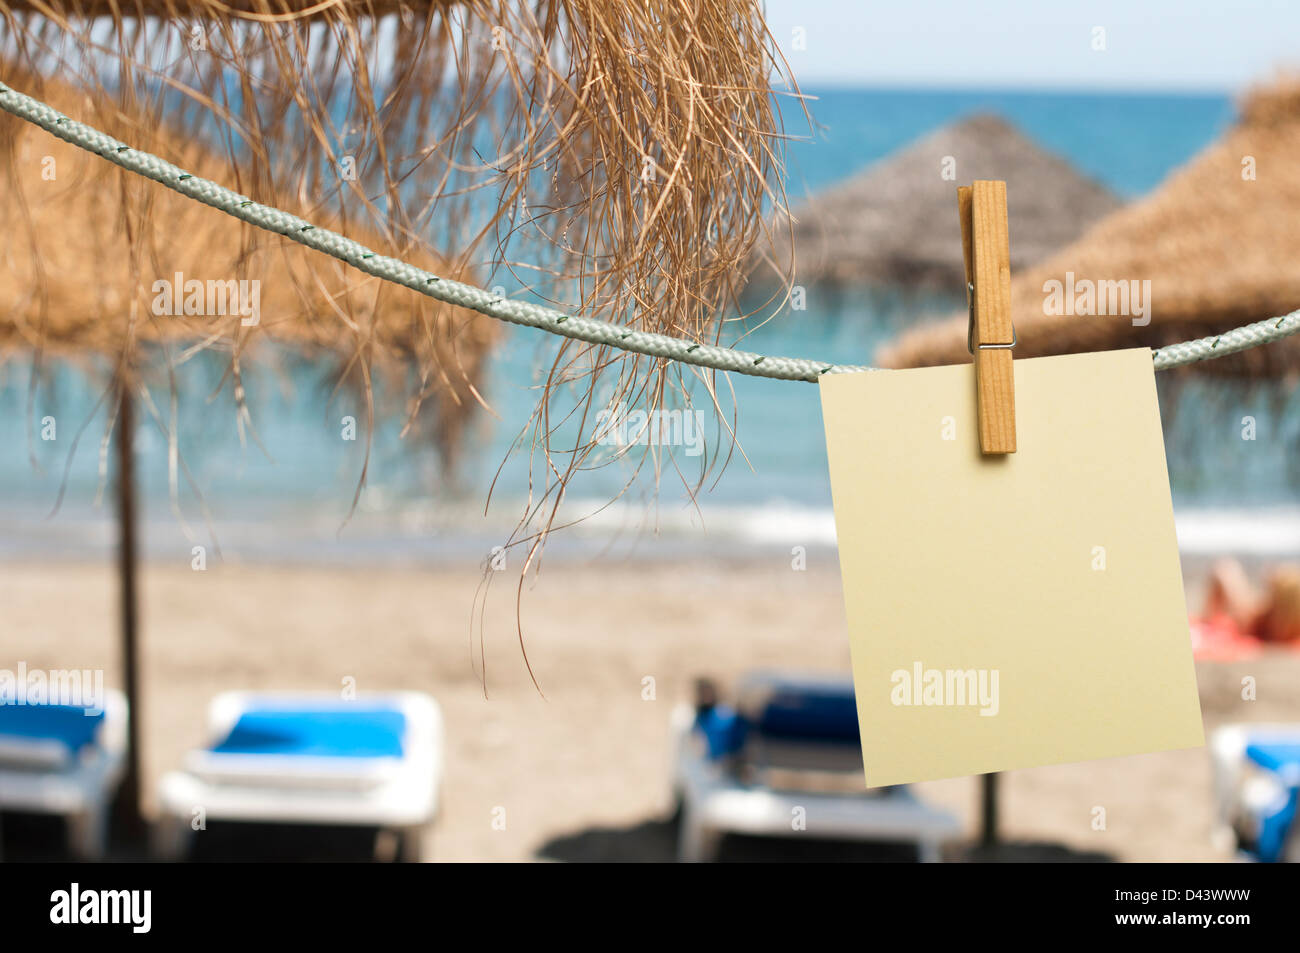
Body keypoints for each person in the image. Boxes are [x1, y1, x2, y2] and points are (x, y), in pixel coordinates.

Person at [1203, 560, 1300, 644]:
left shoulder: (1250, 619)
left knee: (1225, 567)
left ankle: (1207, 618)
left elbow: (1222, 570)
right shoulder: (1286, 626)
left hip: (1250, 621)